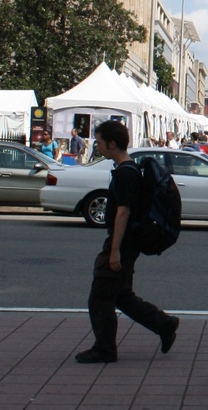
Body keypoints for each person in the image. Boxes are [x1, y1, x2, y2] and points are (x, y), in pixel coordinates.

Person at [74, 120, 180, 364]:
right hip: (129, 242)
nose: (97, 146)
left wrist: (114, 251)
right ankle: (164, 324)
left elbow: (123, 212)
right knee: (120, 294)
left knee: (100, 296)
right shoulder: (130, 169)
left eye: (99, 142)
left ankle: (105, 349)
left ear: (112, 144)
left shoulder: (125, 173)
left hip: (122, 242)